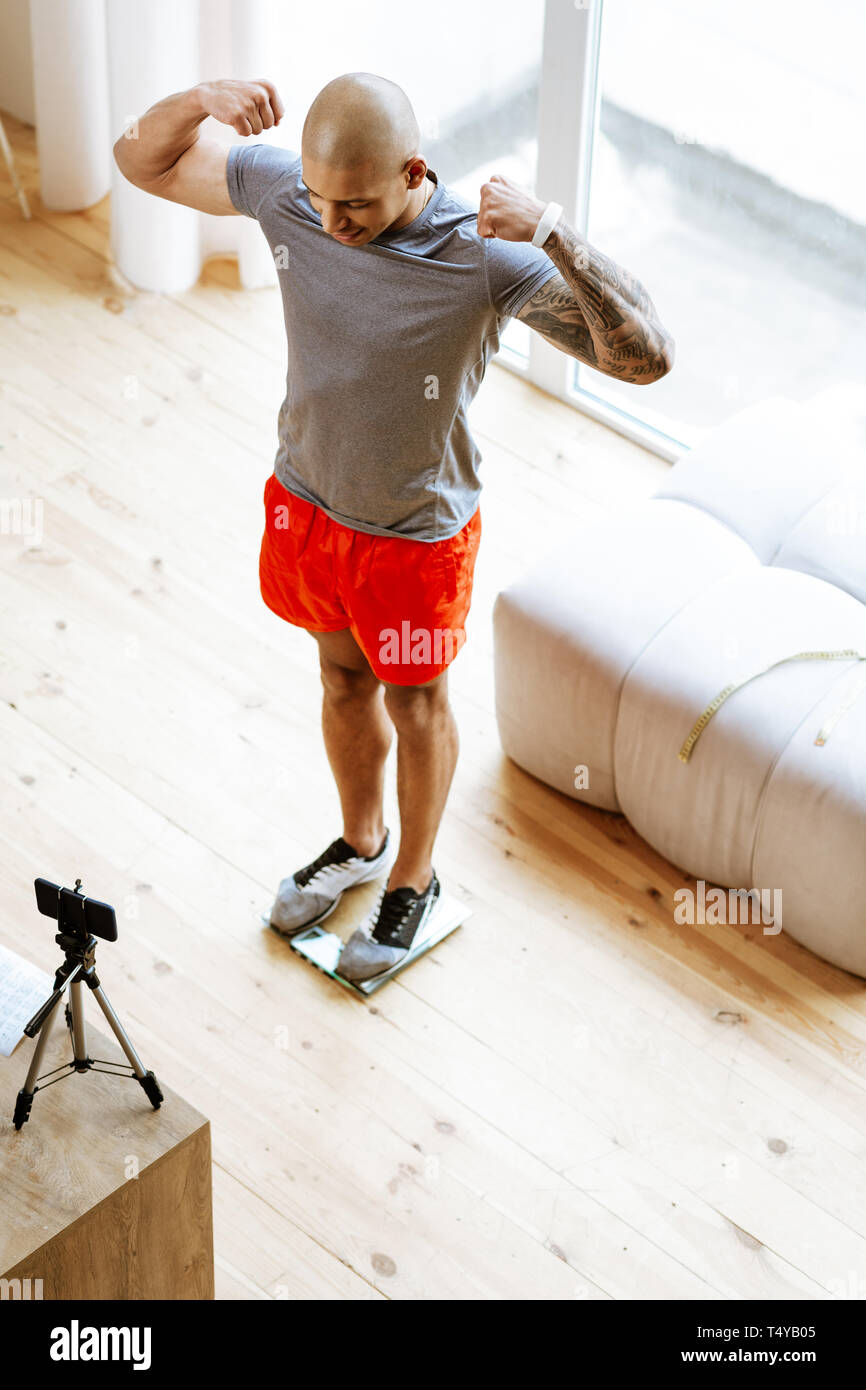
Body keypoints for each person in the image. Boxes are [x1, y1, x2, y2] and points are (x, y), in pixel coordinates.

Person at [113, 72, 674, 982]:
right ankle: (361, 843)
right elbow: (142, 160)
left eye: (358, 205)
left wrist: (555, 232)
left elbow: (645, 357)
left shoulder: (481, 256)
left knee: (414, 704)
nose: (332, 223)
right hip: (307, 506)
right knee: (341, 684)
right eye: (322, 200)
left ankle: (415, 878)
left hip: (413, 538)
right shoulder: (294, 193)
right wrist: (200, 98)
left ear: (416, 169)